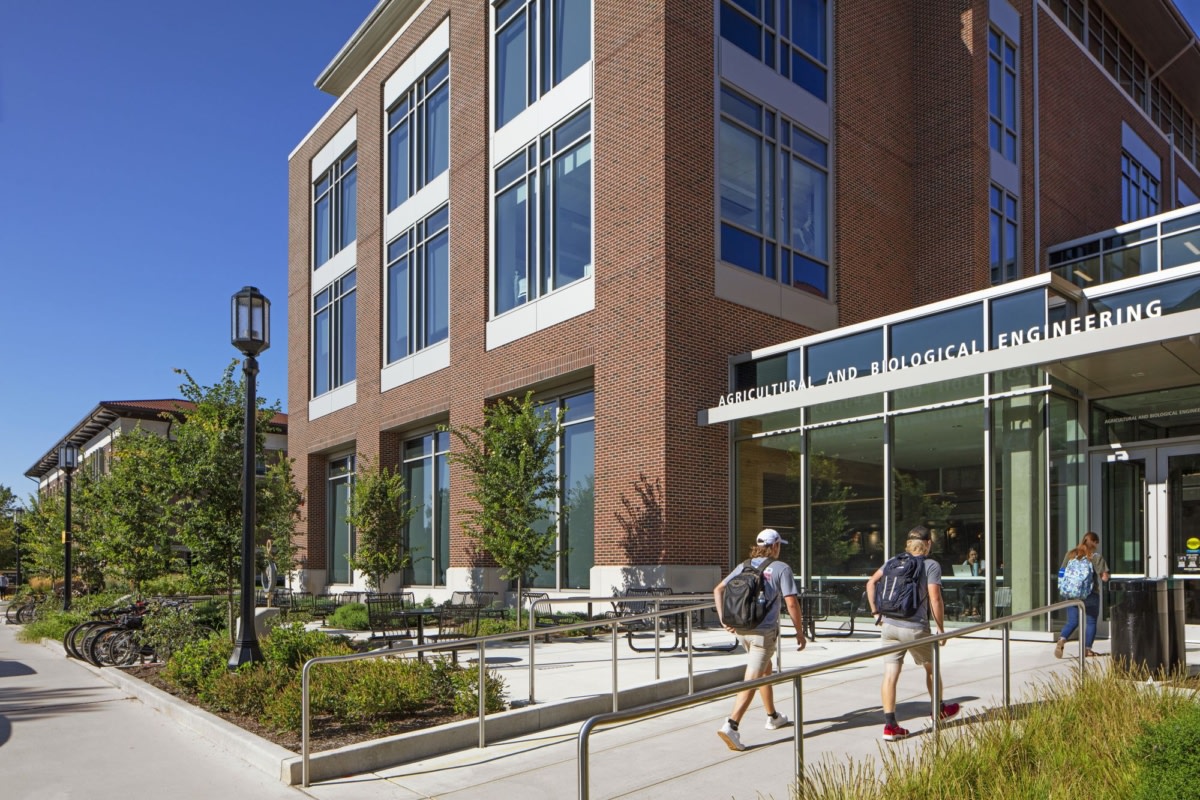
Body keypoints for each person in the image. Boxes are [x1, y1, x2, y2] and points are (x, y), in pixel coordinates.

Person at [713, 528, 806, 751]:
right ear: (774, 546)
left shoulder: (745, 565)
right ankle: (732, 725)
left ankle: (772, 716)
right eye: (779, 545)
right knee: (752, 678)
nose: (779, 548)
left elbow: (718, 589)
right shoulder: (782, 568)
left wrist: (723, 618)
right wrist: (800, 632)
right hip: (763, 633)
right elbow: (791, 603)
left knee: (765, 670)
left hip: (743, 630)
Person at [865, 525, 960, 741]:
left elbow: (871, 583)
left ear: (908, 544)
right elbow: (935, 598)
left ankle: (890, 726)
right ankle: (939, 711)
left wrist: (875, 614)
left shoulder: (892, 561)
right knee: (931, 668)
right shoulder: (930, 565)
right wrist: (941, 628)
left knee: (890, 674)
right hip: (915, 628)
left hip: (889, 626)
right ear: (927, 544)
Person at [1054, 531, 1109, 658]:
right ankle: (1087, 649)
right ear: (1094, 542)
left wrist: (1063, 587)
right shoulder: (1095, 557)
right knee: (1091, 622)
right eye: (1097, 543)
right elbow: (1104, 577)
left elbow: (1062, 571)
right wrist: (1106, 574)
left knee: (1073, 621)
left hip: (1072, 593)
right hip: (1090, 594)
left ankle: (1062, 639)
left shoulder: (1071, 554)